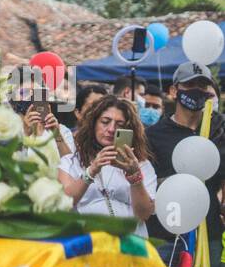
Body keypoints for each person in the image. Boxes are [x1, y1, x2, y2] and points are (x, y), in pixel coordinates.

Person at [145, 62, 225, 267]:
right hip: (166, 233)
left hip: (209, 231)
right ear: (173, 91)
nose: (197, 91)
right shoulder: (153, 135)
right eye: (190, 85)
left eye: (203, 86)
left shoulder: (219, 133)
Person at [58, 95, 156, 236]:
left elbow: (144, 214)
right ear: (93, 123)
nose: (111, 129)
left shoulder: (141, 163)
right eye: (105, 122)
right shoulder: (71, 160)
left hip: (131, 244)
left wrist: (135, 177)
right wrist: (91, 171)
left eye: (120, 125)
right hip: (89, 244)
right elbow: (64, 204)